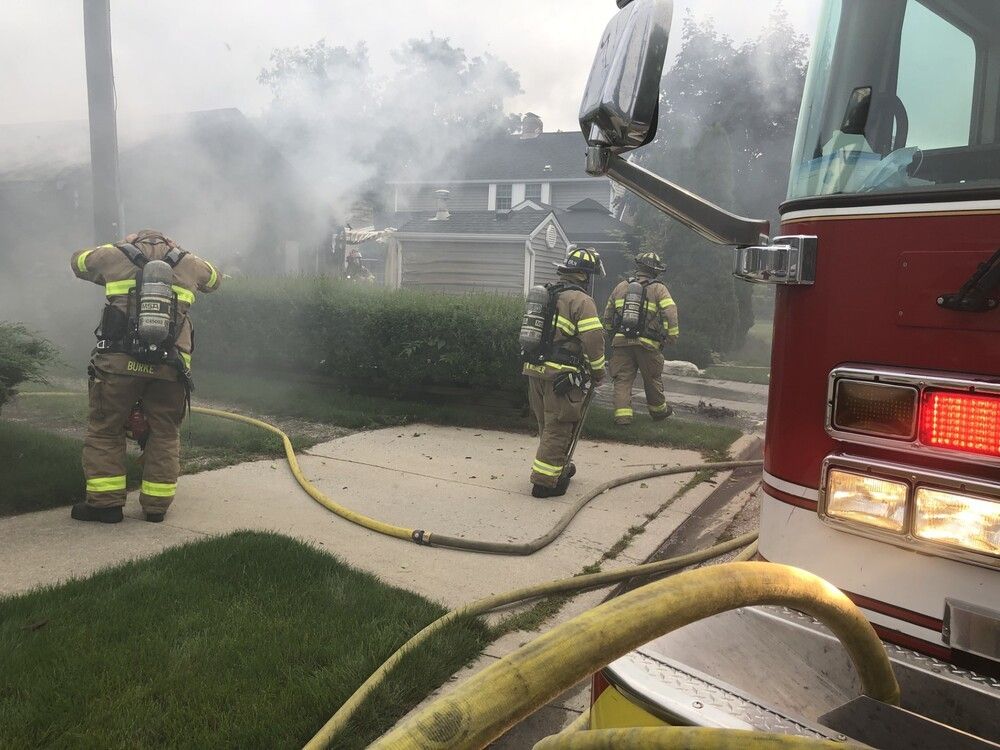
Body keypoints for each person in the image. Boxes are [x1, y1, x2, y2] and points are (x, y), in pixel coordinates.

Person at [69, 229, 222, 523]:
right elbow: (214, 279)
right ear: (167, 241)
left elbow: (78, 262)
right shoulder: (188, 262)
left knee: (106, 429)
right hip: (171, 367)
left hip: (117, 366)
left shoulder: (115, 255)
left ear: (136, 239)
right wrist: (185, 253)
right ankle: (156, 508)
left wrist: (117, 245)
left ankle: (106, 505)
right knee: (165, 432)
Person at [522, 245, 606, 498]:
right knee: (559, 427)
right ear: (583, 275)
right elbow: (593, 338)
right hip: (561, 376)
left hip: (535, 370)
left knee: (547, 425)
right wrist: (598, 371)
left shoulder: (547, 294)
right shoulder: (581, 300)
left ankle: (556, 466)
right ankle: (545, 484)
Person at [603, 251, 679, 426]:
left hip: (621, 342)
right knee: (651, 379)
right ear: (656, 270)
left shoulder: (621, 286)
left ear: (638, 267)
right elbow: (670, 312)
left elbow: (608, 313)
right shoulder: (658, 288)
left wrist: (610, 332)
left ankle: (622, 417)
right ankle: (659, 412)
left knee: (622, 379)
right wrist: (671, 335)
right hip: (647, 343)